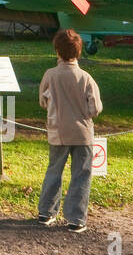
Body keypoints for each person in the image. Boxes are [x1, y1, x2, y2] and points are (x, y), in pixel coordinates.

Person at [36, 29, 103, 232]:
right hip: (82, 133)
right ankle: (76, 218)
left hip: (58, 131)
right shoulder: (86, 78)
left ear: (57, 50)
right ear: (79, 51)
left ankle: (46, 212)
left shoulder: (50, 75)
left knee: (54, 171)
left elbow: (43, 101)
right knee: (81, 175)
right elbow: (95, 108)